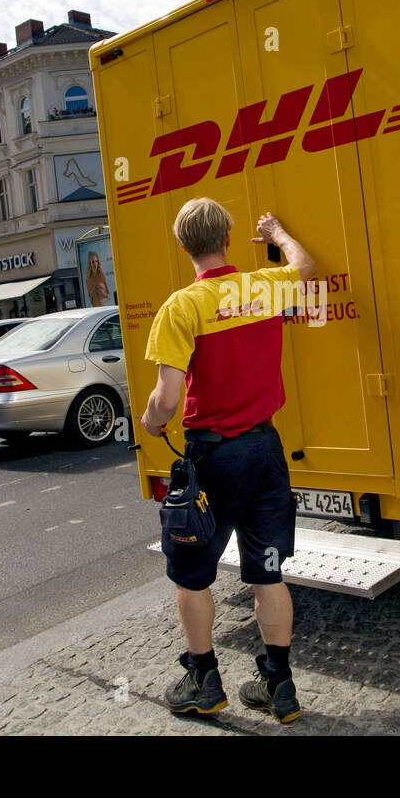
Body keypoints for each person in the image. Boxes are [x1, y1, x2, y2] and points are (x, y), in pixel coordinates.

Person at [141, 197, 316, 724]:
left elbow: (166, 399)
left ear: (182, 246)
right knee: (267, 571)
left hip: (214, 456)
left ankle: (204, 680)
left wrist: (150, 423)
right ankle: (278, 687)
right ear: (229, 239)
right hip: (266, 451)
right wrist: (279, 231)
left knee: (192, 574)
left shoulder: (182, 307)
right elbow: (306, 268)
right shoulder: (262, 286)